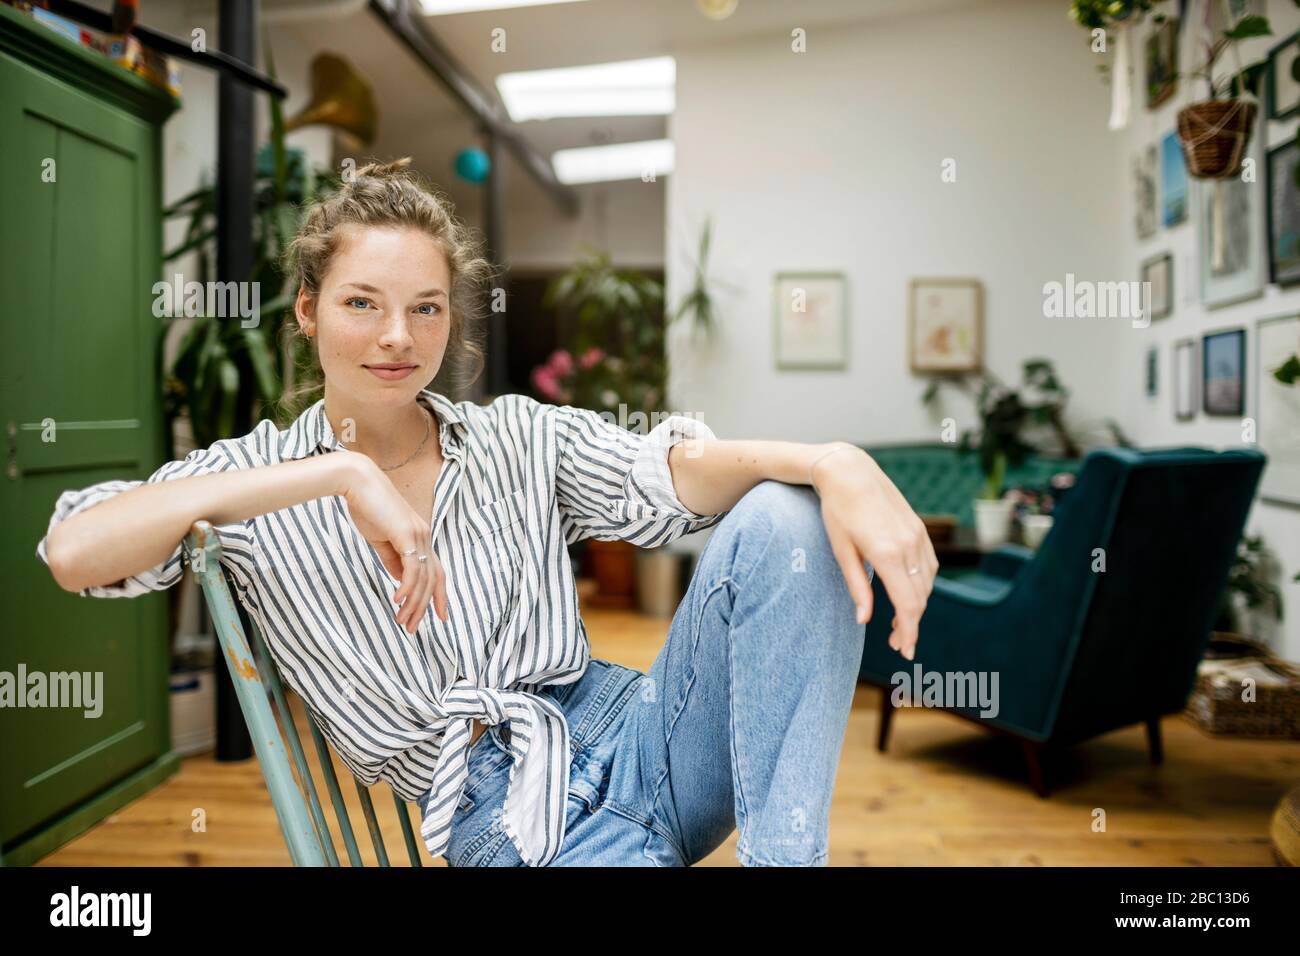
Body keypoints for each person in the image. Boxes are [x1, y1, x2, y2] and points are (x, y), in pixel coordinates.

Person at [37, 158, 937, 867]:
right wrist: (332, 475)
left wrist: (833, 460)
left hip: (640, 732)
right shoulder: (250, 482)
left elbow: (673, 475)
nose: (398, 337)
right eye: (362, 304)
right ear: (307, 311)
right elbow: (75, 551)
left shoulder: (515, 436)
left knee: (787, 515)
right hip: (503, 815)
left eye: (425, 309)